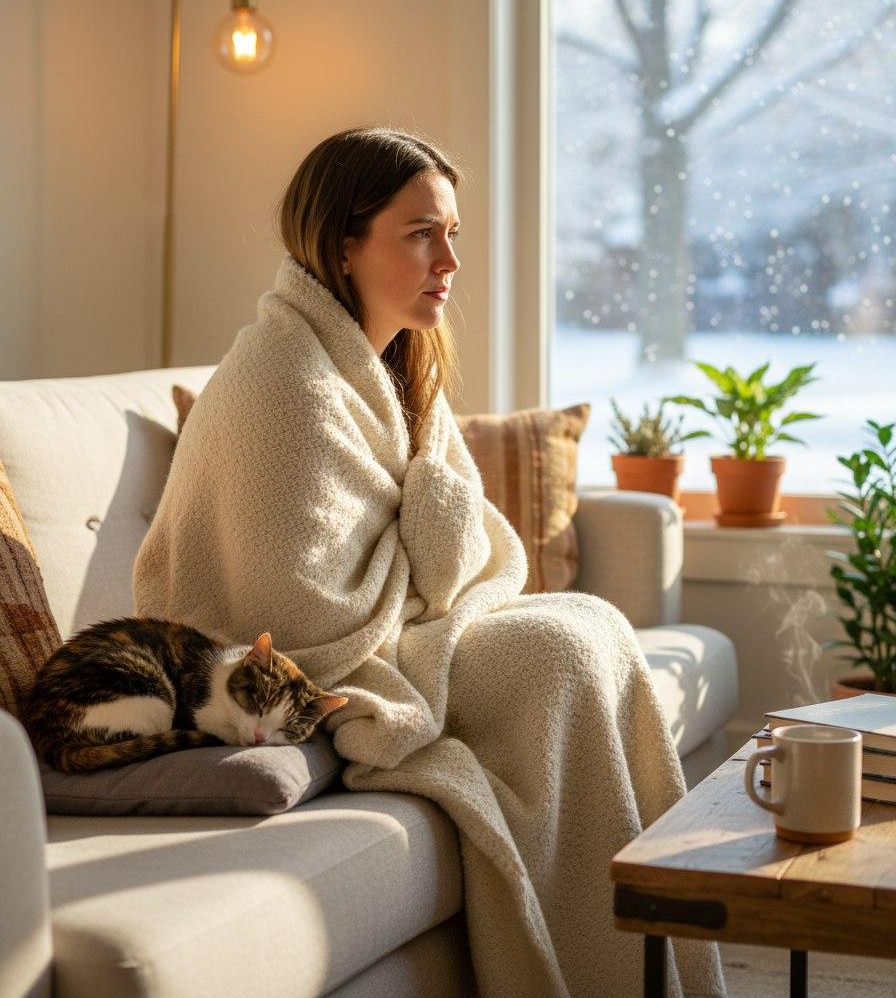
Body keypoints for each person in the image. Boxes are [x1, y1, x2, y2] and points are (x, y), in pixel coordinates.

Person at [133, 126, 726, 998]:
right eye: (420, 234)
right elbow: (286, 609)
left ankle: (651, 956)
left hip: (398, 630)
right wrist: (429, 538)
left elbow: (466, 549)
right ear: (341, 242)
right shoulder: (281, 378)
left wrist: (431, 533)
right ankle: (598, 968)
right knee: (557, 653)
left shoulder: (397, 363)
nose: (448, 258)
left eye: (452, 233)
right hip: (300, 662)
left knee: (592, 624)